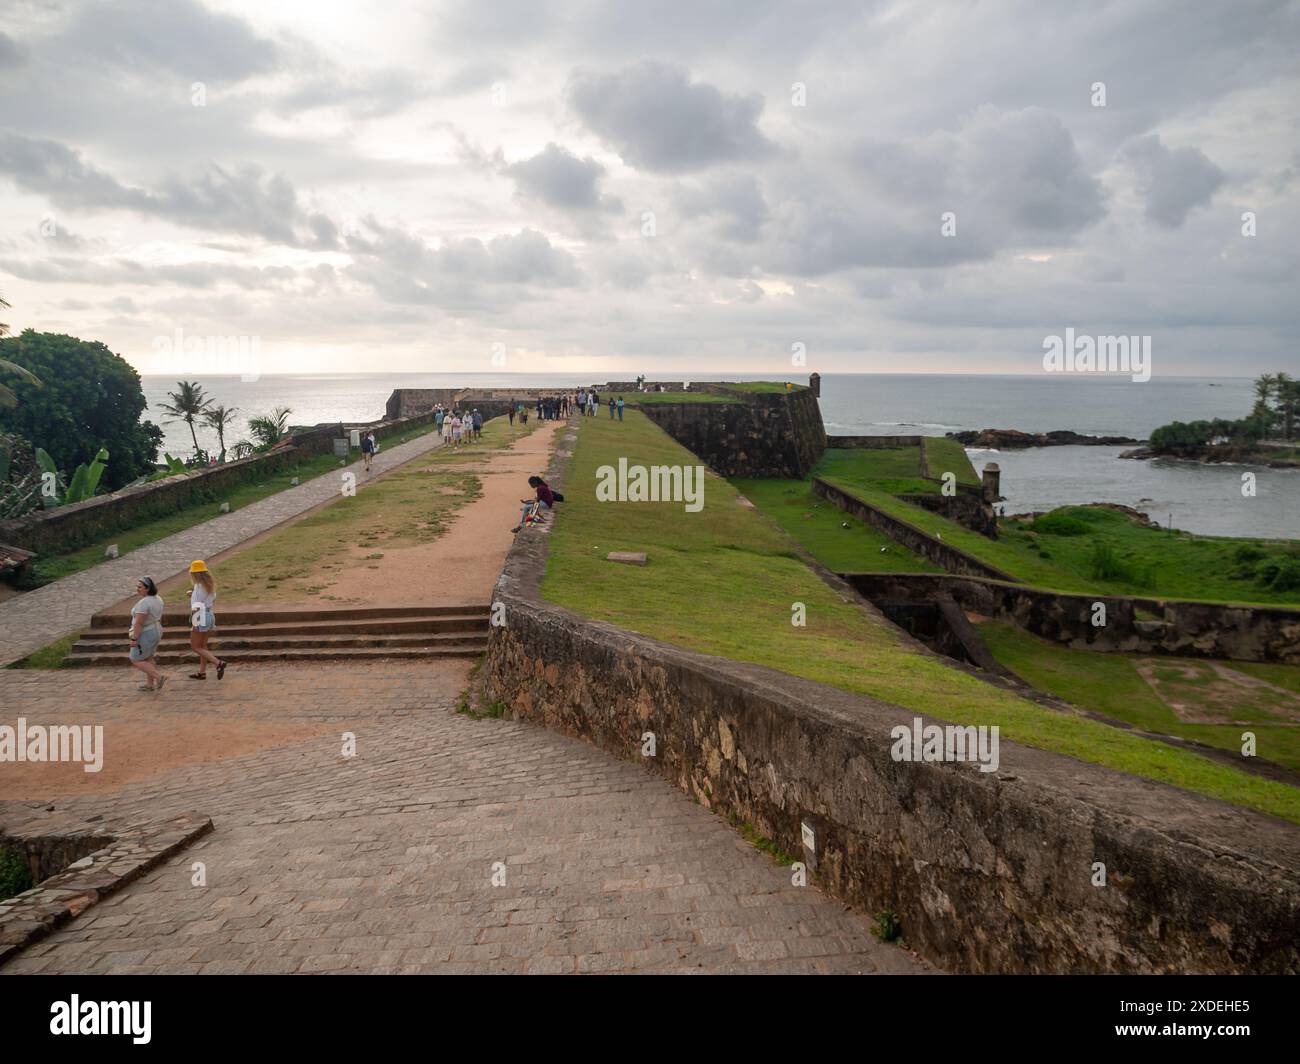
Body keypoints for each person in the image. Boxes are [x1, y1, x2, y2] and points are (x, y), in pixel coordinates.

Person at [186, 560, 228, 680]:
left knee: (195, 647)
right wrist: (193, 594)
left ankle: (218, 663)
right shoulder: (209, 585)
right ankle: (202, 672)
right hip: (209, 615)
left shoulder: (198, 587)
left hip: (200, 615)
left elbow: (196, 606)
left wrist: (194, 623)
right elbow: (207, 599)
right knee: (203, 646)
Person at [128, 576, 167, 692]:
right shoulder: (158, 599)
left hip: (146, 632)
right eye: (137, 587)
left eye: (140, 587)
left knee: (135, 659)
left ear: (147, 588)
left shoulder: (144, 603)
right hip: (156, 629)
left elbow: (139, 623)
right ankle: (150, 685)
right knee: (148, 657)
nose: (137, 589)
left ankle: (159, 677)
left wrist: (134, 639)